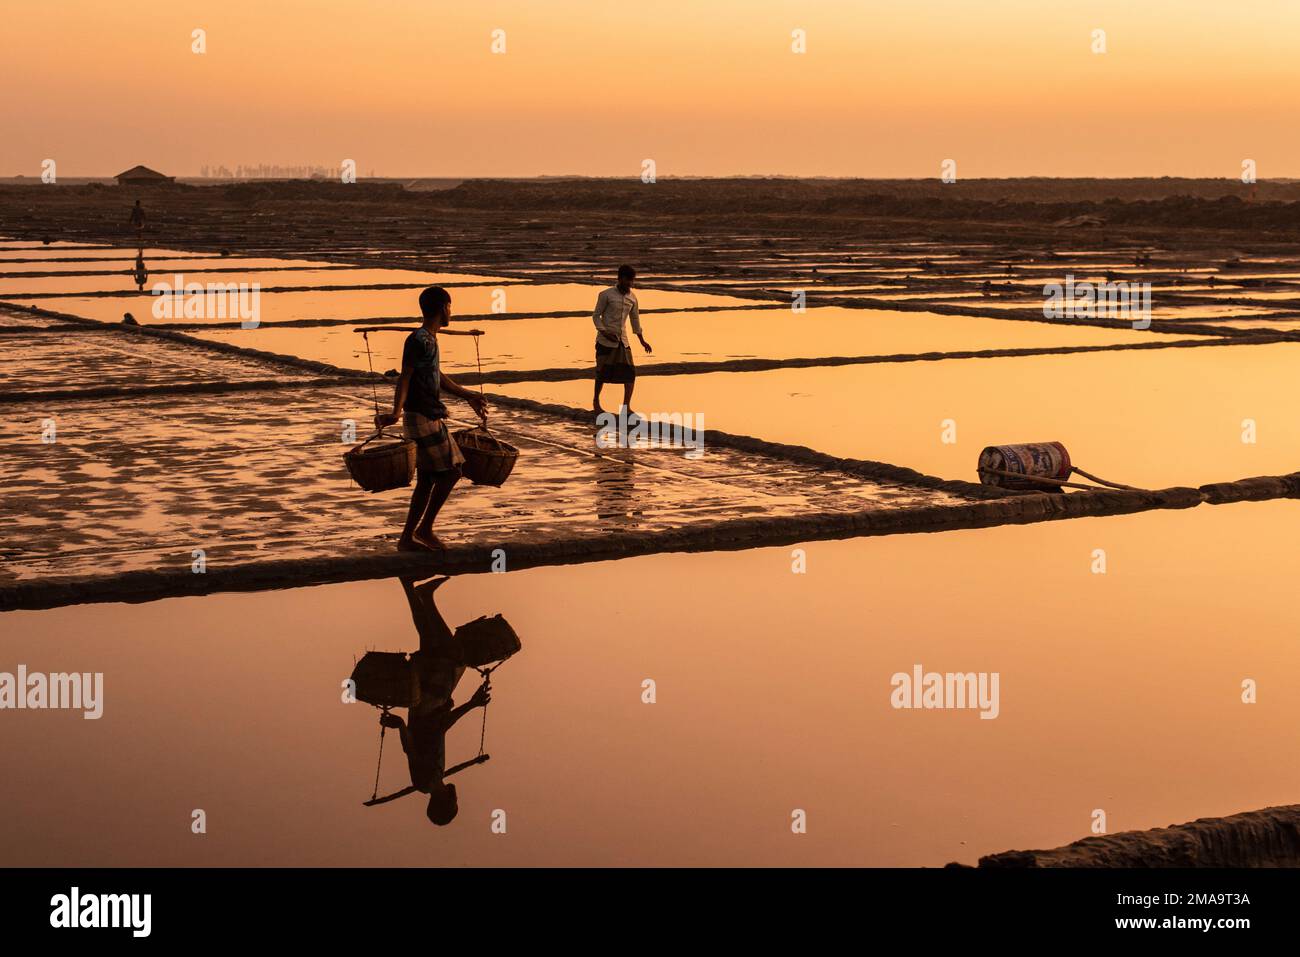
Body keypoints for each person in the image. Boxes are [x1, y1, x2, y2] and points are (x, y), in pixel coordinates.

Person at [375, 287, 487, 552]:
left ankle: (407, 538)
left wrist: (468, 395)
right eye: (450, 307)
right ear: (442, 307)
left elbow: (437, 376)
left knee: (427, 478)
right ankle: (424, 529)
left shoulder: (429, 340)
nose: (451, 312)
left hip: (427, 414)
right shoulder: (419, 340)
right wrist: (395, 412)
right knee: (451, 471)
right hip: (422, 417)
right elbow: (405, 377)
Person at [592, 264, 652, 423]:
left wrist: (642, 341)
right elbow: (596, 316)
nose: (630, 284)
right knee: (601, 373)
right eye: (628, 281)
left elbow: (635, 320)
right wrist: (604, 332)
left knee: (630, 373)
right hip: (605, 340)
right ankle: (596, 403)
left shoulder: (632, 298)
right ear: (620, 279)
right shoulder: (605, 295)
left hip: (622, 341)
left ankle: (626, 407)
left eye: (632, 281)